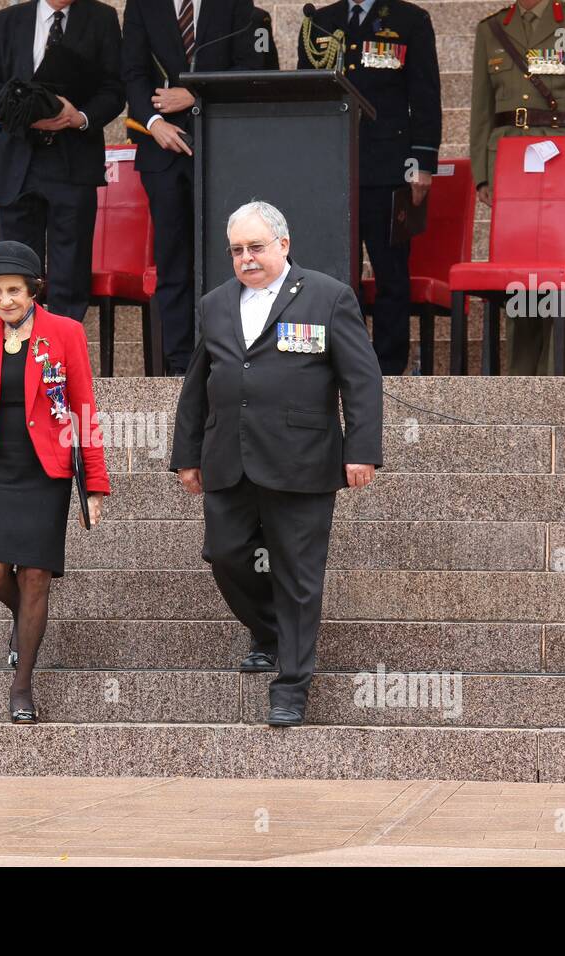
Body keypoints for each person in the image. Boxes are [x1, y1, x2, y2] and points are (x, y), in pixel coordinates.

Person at [169, 202, 384, 727]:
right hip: (228, 457)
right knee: (224, 555)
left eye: (256, 247)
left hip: (302, 461)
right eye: (237, 250)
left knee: (298, 573)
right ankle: (268, 629)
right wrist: (186, 454)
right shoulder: (215, 304)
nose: (246, 258)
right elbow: (200, 382)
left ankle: (291, 684)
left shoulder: (328, 297)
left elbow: (361, 379)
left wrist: (362, 449)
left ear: (283, 245)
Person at [0, 241, 111, 724]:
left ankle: (23, 685)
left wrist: (94, 483)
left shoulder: (65, 333)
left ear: (34, 289)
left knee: (35, 575)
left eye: (14, 290)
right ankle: (26, 622)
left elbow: (84, 409)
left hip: (45, 471)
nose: (4, 300)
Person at [122, 0, 267, 374]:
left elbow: (250, 67)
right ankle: (180, 365)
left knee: (228, 259)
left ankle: (228, 360)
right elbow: (133, 71)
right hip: (162, 151)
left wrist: (197, 92)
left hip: (222, 149)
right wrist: (154, 123)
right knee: (173, 262)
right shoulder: (142, 5)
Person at [297, 0, 442, 375]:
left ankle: (390, 366)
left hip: (389, 168)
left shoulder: (409, 20)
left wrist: (423, 163)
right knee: (336, 275)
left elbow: (425, 97)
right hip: (333, 169)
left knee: (390, 273)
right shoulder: (320, 21)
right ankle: (347, 362)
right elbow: (304, 95)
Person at [470, 0, 565, 374]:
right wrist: (482, 174)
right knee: (517, 273)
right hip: (508, 161)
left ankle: (554, 376)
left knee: (556, 270)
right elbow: (481, 109)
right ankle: (519, 376)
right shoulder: (491, 29)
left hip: (562, 163)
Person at [0, 0, 125, 324]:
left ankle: (60, 358)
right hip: (16, 163)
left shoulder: (101, 18)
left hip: (73, 161)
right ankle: (20, 352)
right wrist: (26, 115)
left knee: (70, 272)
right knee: (17, 270)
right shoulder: (2, 23)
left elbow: (113, 88)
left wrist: (79, 117)